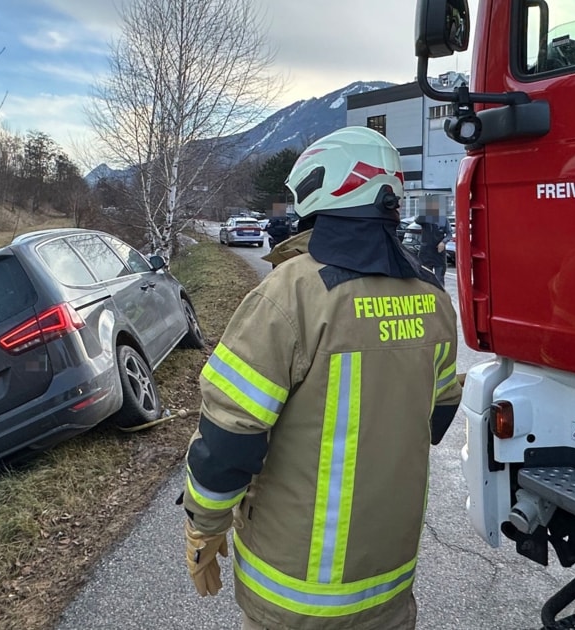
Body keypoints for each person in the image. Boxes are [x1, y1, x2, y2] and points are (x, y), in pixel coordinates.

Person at [178, 126, 464, 630]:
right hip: (389, 589)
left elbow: (227, 440)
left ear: (322, 189)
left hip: (292, 595)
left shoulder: (290, 294)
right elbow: (436, 421)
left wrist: (204, 525)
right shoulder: (433, 299)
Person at [416, 212, 451, 286]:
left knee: (439, 280)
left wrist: (443, 242)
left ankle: (440, 296)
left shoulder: (443, 219)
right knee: (426, 279)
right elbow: (417, 220)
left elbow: (449, 234)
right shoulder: (425, 218)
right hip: (425, 254)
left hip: (439, 254)